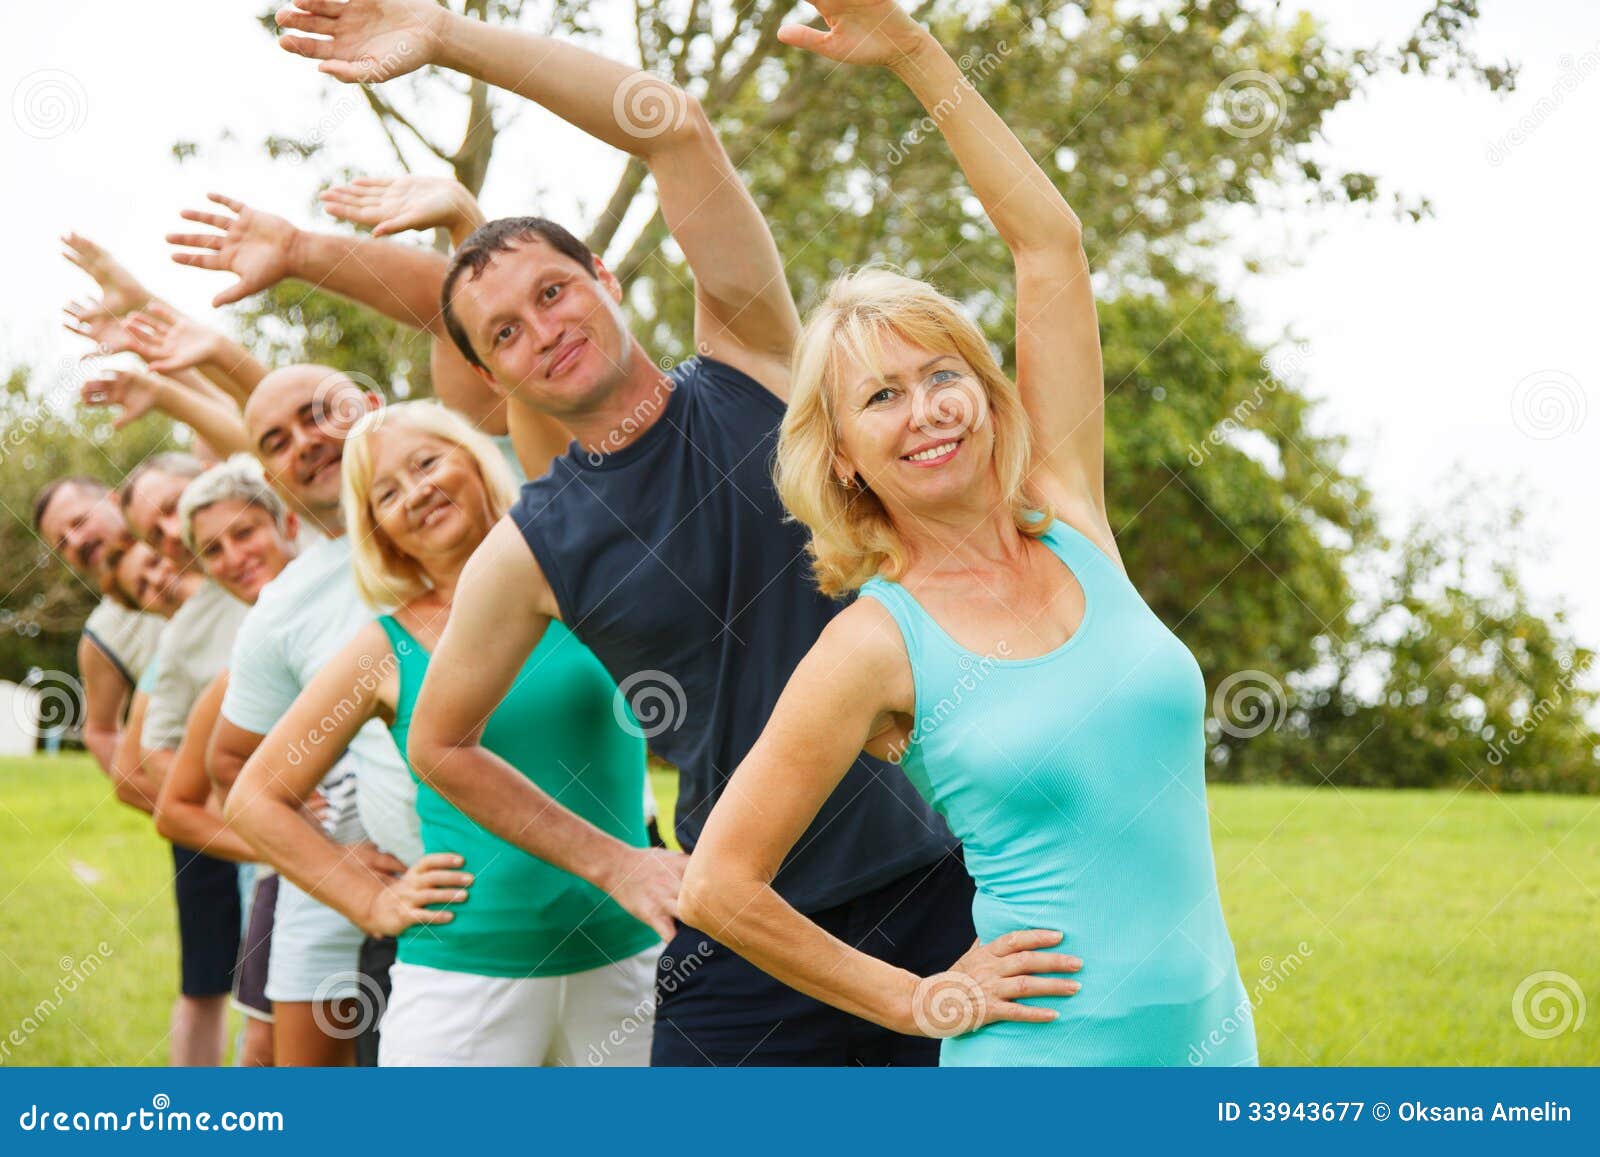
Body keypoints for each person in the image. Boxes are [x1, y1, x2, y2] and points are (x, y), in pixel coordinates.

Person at [275, 0, 974, 1066]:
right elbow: (440, 744)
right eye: (505, 332)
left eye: (555, 290)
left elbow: (672, 126)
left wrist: (449, 37)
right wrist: (615, 862)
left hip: (931, 879)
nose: (543, 329)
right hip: (743, 919)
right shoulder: (531, 548)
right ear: (492, 374)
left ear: (604, 278)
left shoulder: (749, 365)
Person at [680, 2, 1256, 1067]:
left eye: (942, 373)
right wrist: (915, 999)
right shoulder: (874, 641)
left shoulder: (1071, 515)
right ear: (842, 455)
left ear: (987, 393)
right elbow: (718, 883)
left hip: (1213, 1050)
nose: (927, 410)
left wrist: (912, 50)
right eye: (882, 396)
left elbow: (1048, 242)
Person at [230, 402, 660, 1065]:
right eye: (387, 495)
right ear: (382, 534)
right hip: (463, 977)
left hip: (629, 955)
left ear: (477, 461)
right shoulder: (384, 648)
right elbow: (254, 797)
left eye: (427, 462)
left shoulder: (586, 586)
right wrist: (371, 901)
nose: (416, 492)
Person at [153, 456, 309, 1068]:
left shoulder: (356, 599)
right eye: (213, 550)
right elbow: (176, 809)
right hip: (291, 886)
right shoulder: (242, 662)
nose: (234, 557)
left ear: (287, 525)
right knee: (269, 1049)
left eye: (244, 533)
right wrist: (285, 843)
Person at [32, 478, 164, 778]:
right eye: (62, 544)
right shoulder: (102, 634)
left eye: (79, 522)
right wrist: (177, 799)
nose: (75, 542)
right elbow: (100, 733)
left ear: (114, 500)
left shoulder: (192, 535)